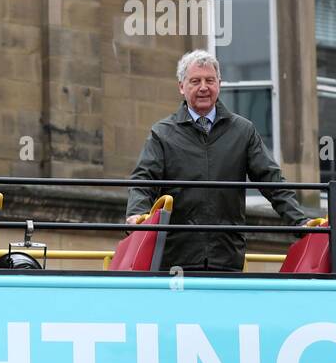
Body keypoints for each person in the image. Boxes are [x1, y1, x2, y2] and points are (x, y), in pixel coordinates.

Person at [126, 50, 310, 272]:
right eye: (195, 81)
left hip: (226, 256)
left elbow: (271, 181)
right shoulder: (162, 134)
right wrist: (137, 215)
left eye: (209, 80)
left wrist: (301, 223)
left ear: (219, 84)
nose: (203, 87)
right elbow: (144, 180)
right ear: (181, 87)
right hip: (176, 258)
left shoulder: (243, 131)